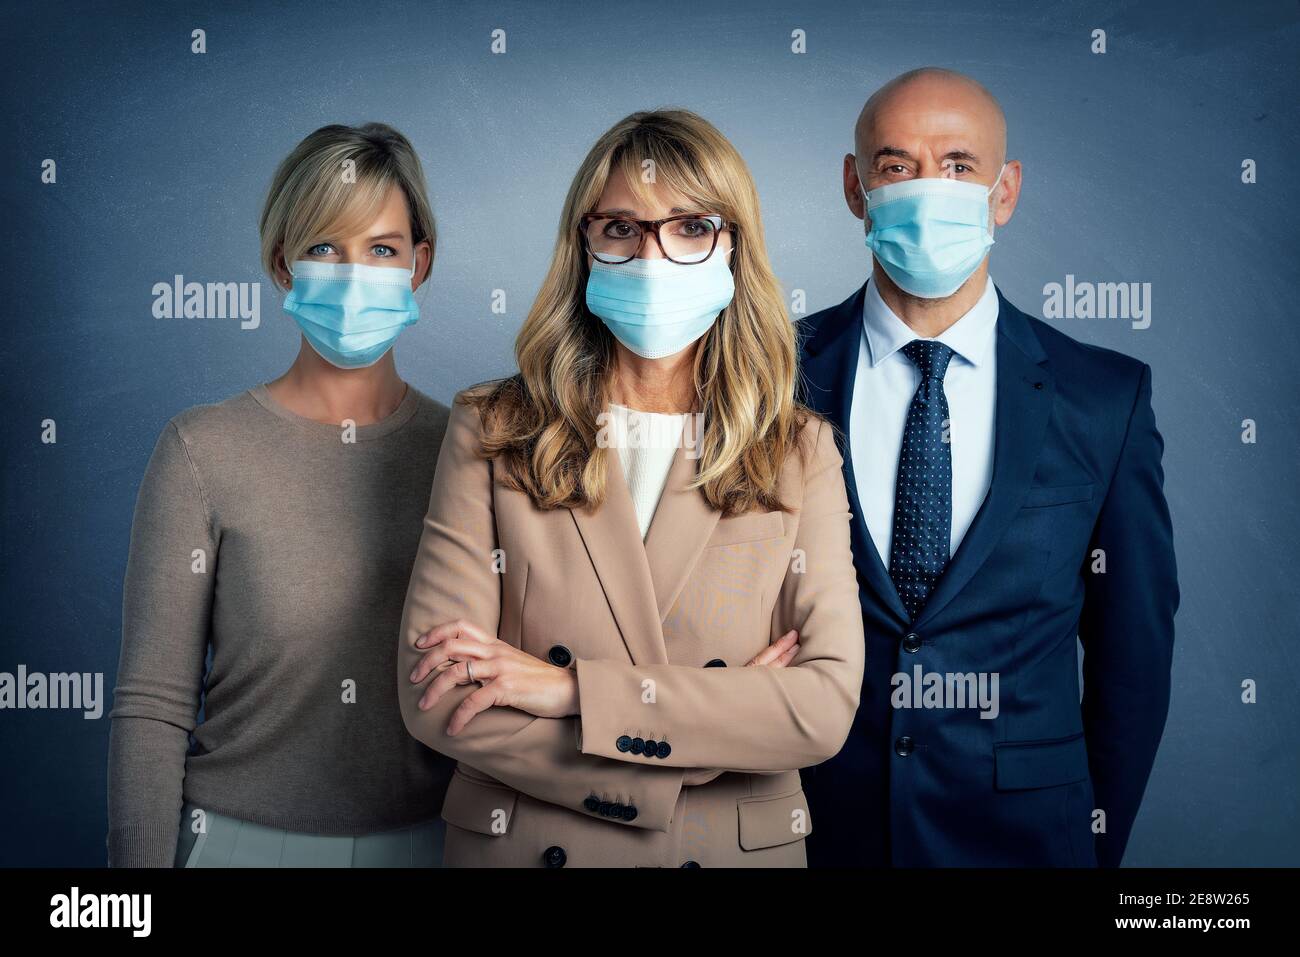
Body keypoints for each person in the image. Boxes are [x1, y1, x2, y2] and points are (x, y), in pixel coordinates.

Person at [397, 109, 864, 867]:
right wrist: (715, 730)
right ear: (583, 246)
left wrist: (572, 691)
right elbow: (442, 695)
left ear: (734, 246)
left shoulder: (798, 450)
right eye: (620, 228)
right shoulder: (491, 427)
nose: (653, 256)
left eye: (690, 227)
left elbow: (821, 709)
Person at [797, 68, 1179, 867]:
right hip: (810, 828)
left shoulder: (1103, 398)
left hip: (1028, 838)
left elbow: (1132, 661)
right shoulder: (771, 374)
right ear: (853, 185)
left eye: (959, 165)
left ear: (1004, 192)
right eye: (897, 166)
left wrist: (1090, 844)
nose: (927, 189)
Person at [108, 123, 453, 867]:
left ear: (419, 264)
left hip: (433, 845)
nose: (354, 272)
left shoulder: (468, 454)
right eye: (324, 247)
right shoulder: (202, 450)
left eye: (382, 249)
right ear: (282, 263)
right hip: (236, 844)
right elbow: (153, 705)